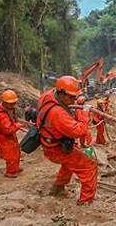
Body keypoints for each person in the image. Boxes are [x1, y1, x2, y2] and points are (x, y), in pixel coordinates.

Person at [38, 75, 97, 205]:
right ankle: (86, 201)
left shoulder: (48, 96)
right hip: (57, 148)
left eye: (75, 97)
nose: (73, 100)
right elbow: (79, 131)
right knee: (89, 165)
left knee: (69, 163)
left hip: (50, 143)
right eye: (71, 97)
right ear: (61, 93)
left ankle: (58, 188)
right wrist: (84, 114)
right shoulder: (57, 113)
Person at [0, 90, 23, 178]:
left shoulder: (8, 109)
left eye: (14, 103)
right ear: (4, 103)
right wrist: (17, 126)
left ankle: (15, 167)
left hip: (8, 136)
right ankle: (11, 172)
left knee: (16, 151)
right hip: (3, 137)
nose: (13, 105)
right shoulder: (2, 115)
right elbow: (8, 130)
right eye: (10, 103)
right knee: (11, 154)